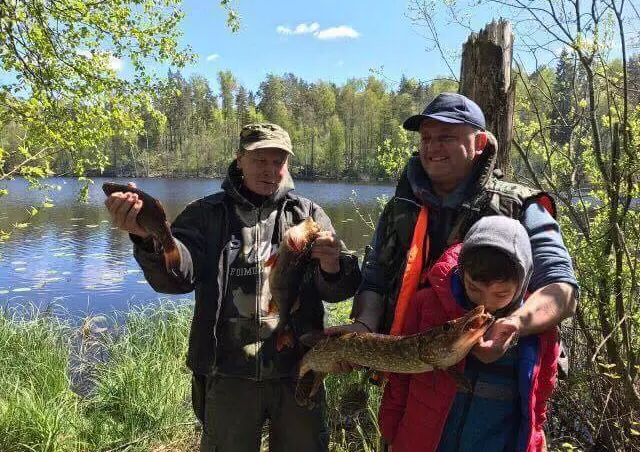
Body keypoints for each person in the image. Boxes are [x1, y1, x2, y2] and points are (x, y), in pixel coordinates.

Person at [104, 123, 361, 452]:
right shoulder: (205, 215)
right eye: (260, 160)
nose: (270, 171)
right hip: (225, 373)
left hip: (298, 367)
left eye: (278, 162)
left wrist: (334, 264)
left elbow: (338, 290)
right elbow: (177, 278)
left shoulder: (307, 214)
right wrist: (147, 239)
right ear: (240, 159)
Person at [330, 92, 577, 370]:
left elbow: (563, 290)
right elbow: (374, 281)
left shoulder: (520, 207)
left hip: (492, 378)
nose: (433, 147)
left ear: (480, 143)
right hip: (411, 371)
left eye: (446, 137)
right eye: (426, 138)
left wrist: (514, 325)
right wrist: (364, 324)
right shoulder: (400, 209)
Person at [379, 216, 559, 452]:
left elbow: (541, 391)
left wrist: (535, 438)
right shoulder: (427, 305)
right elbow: (400, 377)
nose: (486, 303)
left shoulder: (539, 329)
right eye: (474, 288)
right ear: (462, 273)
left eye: (501, 293)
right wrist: (391, 433)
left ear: (522, 282)